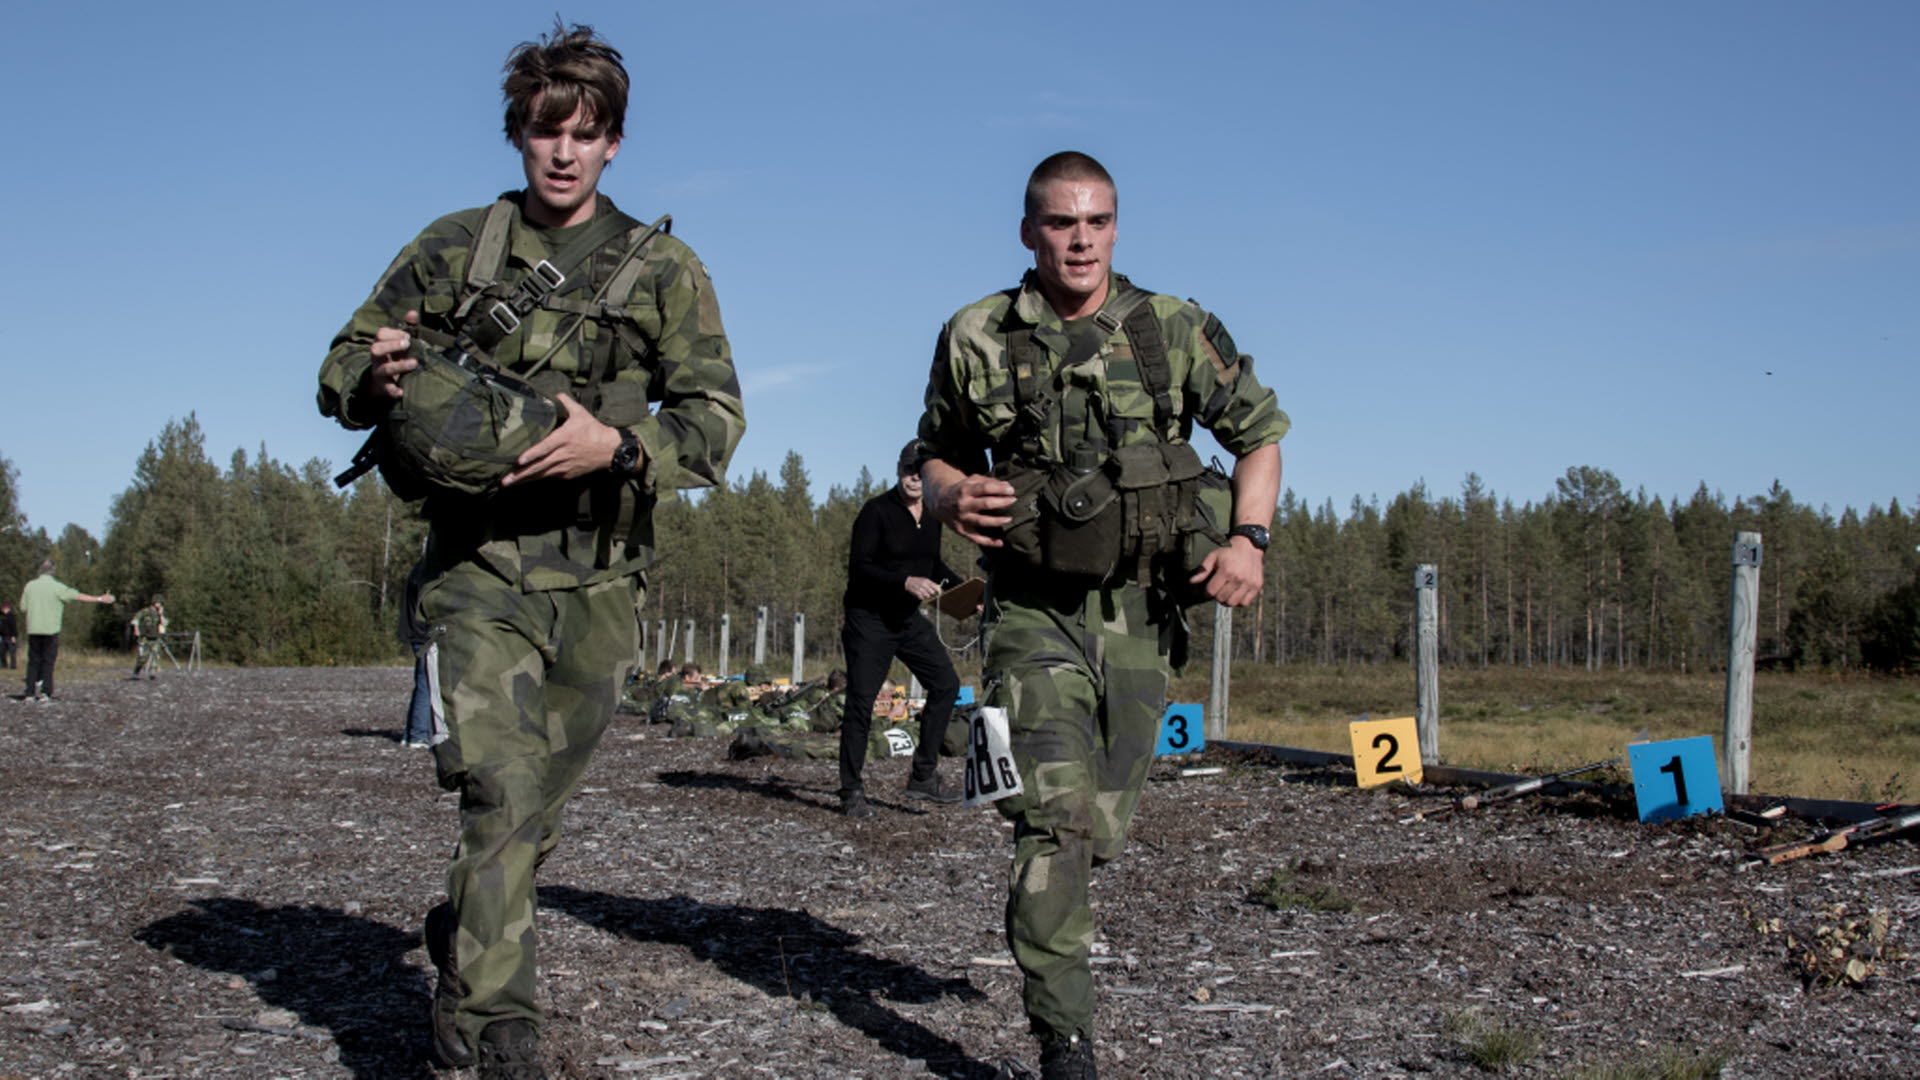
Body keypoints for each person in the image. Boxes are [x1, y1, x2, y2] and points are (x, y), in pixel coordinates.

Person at [315, 23, 744, 1078]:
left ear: (614, 145)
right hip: (477, 572)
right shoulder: (454, 247)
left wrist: (622, 443)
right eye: (546, 132)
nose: (563, 153)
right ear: (517, 134)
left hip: (599, 580)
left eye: (585, 135)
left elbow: (717, 421)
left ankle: (468, 932)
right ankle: (497, 1031)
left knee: (536, 812)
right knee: (498, 793)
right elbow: (337, 368)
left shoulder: (665, 271)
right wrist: (370, 380)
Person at [917, 151, 1288, 1078]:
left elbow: (1261, 437)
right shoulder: (977, 335)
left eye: (1096, 222)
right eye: (1059, 223)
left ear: (1115, 228)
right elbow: (930, 459)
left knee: (1103, 825)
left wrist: (1249, 541)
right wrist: (951, 496)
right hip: (1029, 612)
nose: (1078, 240)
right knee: (1055, 818)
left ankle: (1061, 937)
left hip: (1140, 611)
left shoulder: (1171, 326)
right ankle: (1065, 1039)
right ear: (1028, 232)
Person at [835, 439, 965, 818]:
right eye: (908, 469)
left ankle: (923, 776)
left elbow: (933, 564)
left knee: (946, 685)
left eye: (920, 471)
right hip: (869, 619)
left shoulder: (931, 516)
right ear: (898, 470)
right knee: (861, 702)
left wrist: (964, 590)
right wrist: (904, 581)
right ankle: (851, 790)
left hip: (907, 620)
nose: (913, 477)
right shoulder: (875, 512)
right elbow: (860, 568)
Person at [18, 559, 115, 702]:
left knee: (33, 662)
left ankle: (29, 693)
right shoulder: (57, 587)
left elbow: (23, 607)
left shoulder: (29, 586)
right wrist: (99, 598)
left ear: (40, 570)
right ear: (53, 571)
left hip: (34, 629)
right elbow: (78, 596)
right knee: (48, 662)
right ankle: (45, 693)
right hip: (50, 630)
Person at [130, 597, 168, 680]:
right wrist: (136, 629)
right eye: (158, 602)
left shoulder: (160, 613)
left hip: (155, 637)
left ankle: (153, 672)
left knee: (156, 655)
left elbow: (164, 623)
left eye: (160, 603)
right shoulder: (145, 611)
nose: (159, 604)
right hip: (145, 637)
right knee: (143, 657)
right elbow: (136, 619)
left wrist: (161, 614)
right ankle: (137, 671)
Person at [0, 600, 16, 669]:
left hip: (10, 636)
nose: (3, 609)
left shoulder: (11, 616)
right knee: (2, 651)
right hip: (3, 636)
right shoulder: (3, 616)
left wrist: (13, 636)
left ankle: (13, 666)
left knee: (12, 652)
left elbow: (13, 626)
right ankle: (4, 664)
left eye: (4, 608)